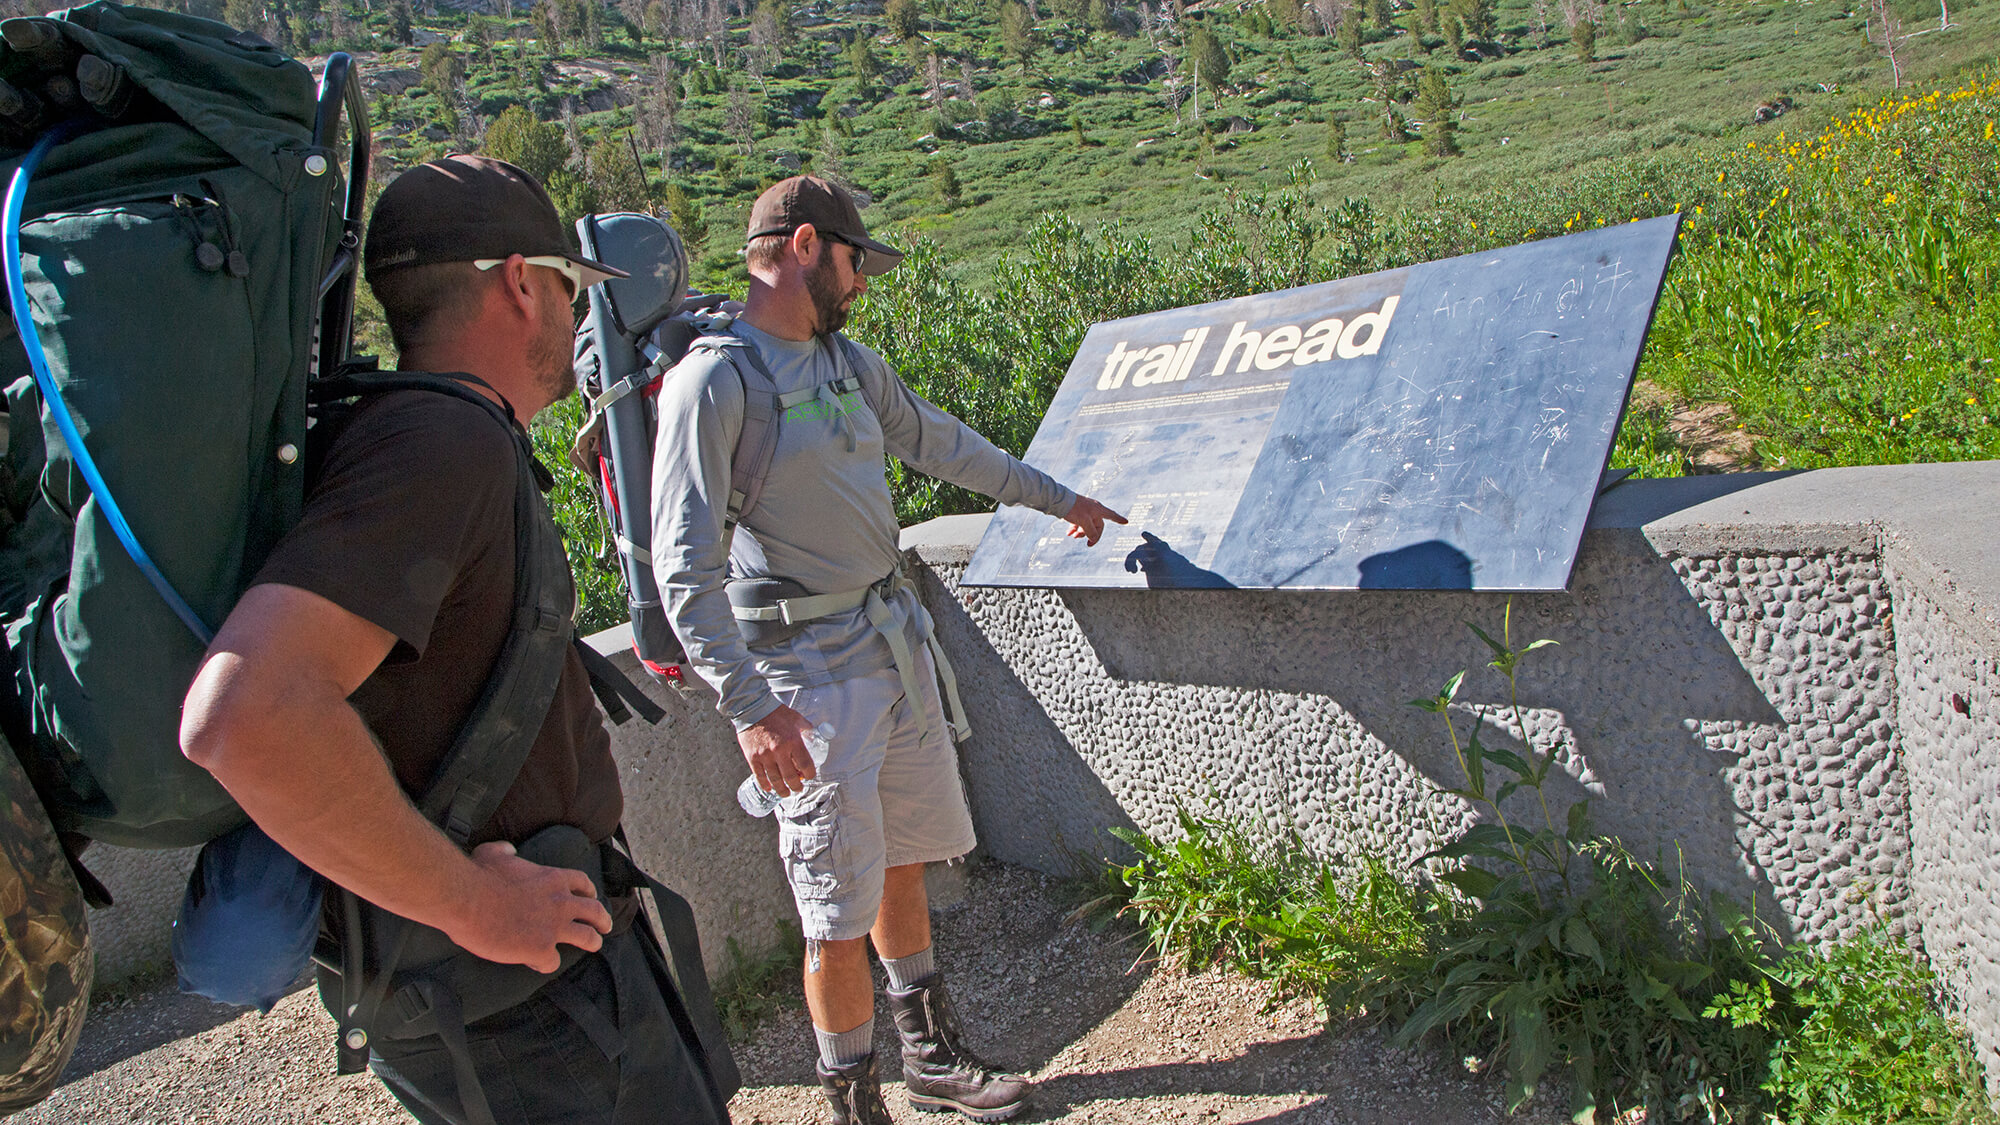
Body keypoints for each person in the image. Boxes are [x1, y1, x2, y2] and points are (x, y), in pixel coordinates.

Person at [179, 156, 732, 1125]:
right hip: (523, 1016)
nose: (574, 317)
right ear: (519, 282)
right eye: (567, 289)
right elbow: (243, 714)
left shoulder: (430, 434)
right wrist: (475, 905)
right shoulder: (443, 446)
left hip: (512, 994)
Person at [649, 175, 1125, 1125]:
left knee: (899, 861)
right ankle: (854, 1104)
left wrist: (1055, 496)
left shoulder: (847, 365)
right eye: (854, 260)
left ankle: (930, 1060)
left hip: (890, 646)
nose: (863, 281)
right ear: (804, 247)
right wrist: (752, 710)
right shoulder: (717, 383)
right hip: (803, 682)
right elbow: (682, 574)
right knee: (832, 910)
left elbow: (941, 444)